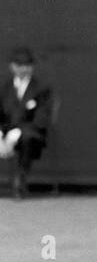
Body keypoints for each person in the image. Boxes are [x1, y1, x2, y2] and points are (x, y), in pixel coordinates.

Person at [0, 46, 55, 201]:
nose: (24, 69)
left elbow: (41, 119)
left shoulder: (42, 89)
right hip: (5, 133)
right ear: (12, 67)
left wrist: (17, 133)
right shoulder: (4, 87)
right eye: (20, 66)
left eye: (27, 66)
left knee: (27, 138)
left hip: (31, 134)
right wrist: (2, 133)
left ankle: (20, 180)